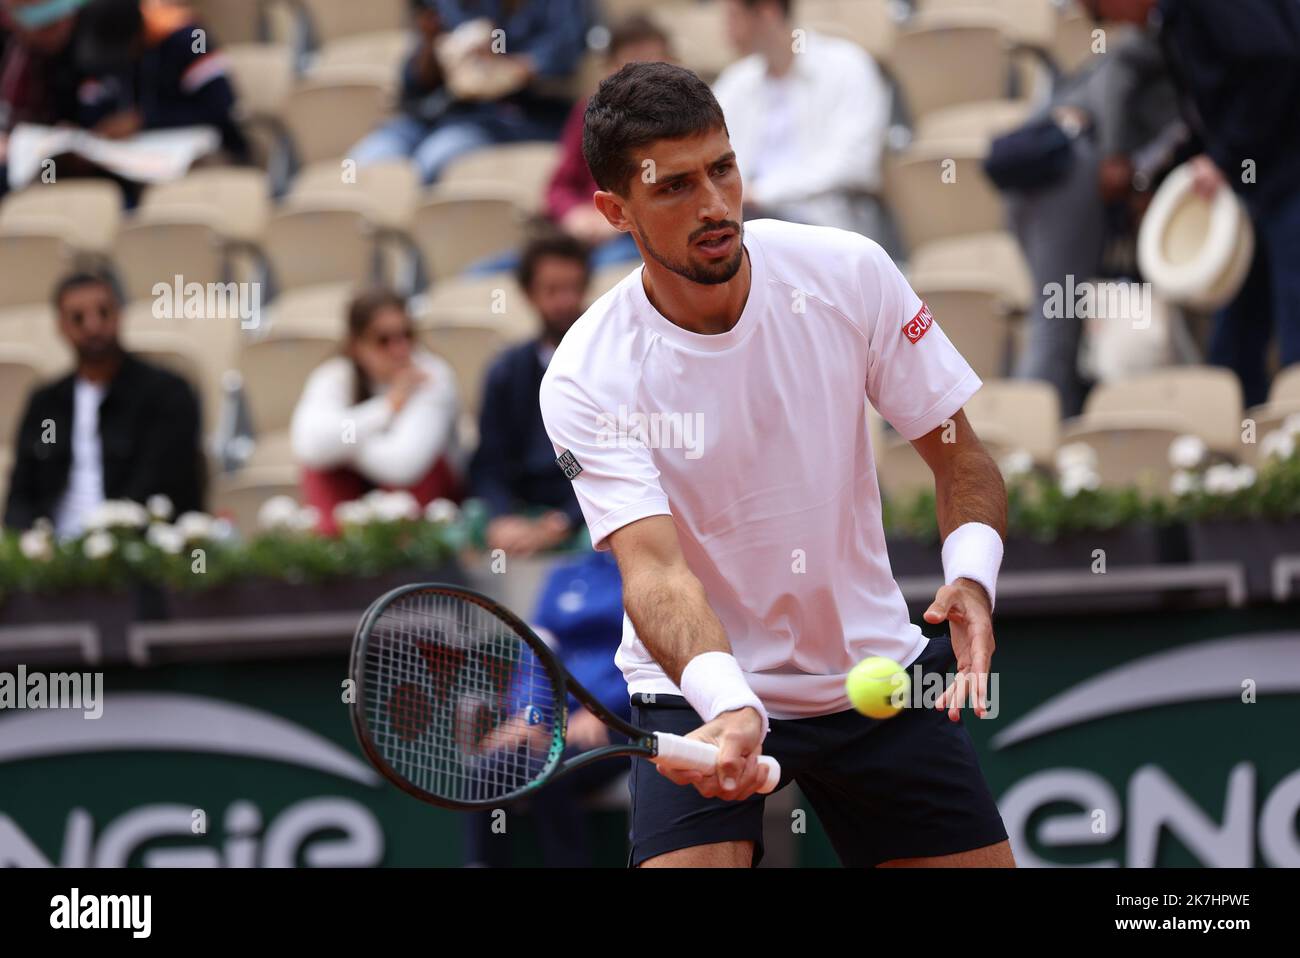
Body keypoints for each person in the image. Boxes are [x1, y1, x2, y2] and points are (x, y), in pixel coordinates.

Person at [539, 61, 1014, 868]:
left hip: (872, 674)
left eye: (722, 169)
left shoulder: (850, 274)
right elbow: (654, 572)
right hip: (696, 689)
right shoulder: (588, 372)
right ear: (616, 211)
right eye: (676, 187)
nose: (715, 205)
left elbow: (957, 453)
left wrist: (971, 575)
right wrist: (727, 703)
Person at [1084, 0, 1300, 408]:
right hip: (1253, 187)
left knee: (1295, 351)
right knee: (1230, 354)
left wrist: (1226, 156)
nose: (1110, 23)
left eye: (1099, 10)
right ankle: (1240, 467)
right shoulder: (1173, 19)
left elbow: (1278, 59)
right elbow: (1211, 112)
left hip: (1283, 179)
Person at [996, 20, 1184, 416]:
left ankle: (1057, 429)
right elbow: (1116, 78)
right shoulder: (1152, 38)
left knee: (1060, 314)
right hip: (1063, 178)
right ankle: (1032, 450)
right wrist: (1116, 155)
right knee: (1057, 319)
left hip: (1040, 181)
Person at [3, 270, 205, 535]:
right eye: (78, 318)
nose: (92, 326)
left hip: (135, 551)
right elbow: (23, 491)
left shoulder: (164, 394)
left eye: (103, 312)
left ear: (120, 313)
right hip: (54, 555)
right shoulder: (47, 407)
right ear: (61, 326)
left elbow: (165, 486)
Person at [463, 548, 628, 867]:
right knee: (490, 770)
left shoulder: (656, 570)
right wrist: (529, 715)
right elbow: (538, 652)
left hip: (623, 721)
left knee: (551, 773)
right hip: (556, 724)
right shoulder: (565, 574)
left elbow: (655, 655)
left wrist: (602, 710)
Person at [350, 0, 587, 185]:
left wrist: (504, 68)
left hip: (511, 118)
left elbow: (563, 56)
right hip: (436, 115)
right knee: (369, 159)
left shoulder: (555, 5)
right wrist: (432, 44)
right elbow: (415, 82)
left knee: (435, 159)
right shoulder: (447, 6)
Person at [290, 288, 464, 536]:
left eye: (406, 335)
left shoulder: (433, 376)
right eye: (383, 340)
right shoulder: (334, 375)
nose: (399, 348)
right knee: (319, 474)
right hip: (355, 498)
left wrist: (341, 445)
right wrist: (388, 406)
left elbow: (404, 466)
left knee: (426, 472)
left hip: (424, 507)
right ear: (355, 346)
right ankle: (334, 552)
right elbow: (308, 447)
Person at [712, 0, 890, 238]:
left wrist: (760, 193)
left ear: (768, 11)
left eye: (733, 17)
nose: (726, 32)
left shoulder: (847, 66)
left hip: (819, 224)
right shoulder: (736, 80)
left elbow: (853, 164)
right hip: (743, 219)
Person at [468, 232, 586, 555]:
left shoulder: (605, 363)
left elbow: (612, 463)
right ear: (529, 294)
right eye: (552, 290)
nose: (565, 301)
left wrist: (564, 520)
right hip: (520, 509)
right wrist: (501, 517)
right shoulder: (507, 371)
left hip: (584, 509)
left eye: (573, 288)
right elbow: (489, 462)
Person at [543, 13, 670, 269]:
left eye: (654, 65)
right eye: (633, 64)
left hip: (637, 237)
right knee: (495, 271)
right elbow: (559, 186)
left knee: (602, 271)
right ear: (611, 67)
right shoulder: (587, 113)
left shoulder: (684, 121)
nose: (643, 78)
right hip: (582, 236)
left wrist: (620, 220)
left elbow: (672, 191)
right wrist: (573, 215)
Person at [64, 0, 247, 163]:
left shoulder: (189, 37)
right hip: (124, 161)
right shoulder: (97, 47)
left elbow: (220, 108)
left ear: (137, 33)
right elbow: (91, 104)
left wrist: (144, 119)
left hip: (202, 158)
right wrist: (81, 134)